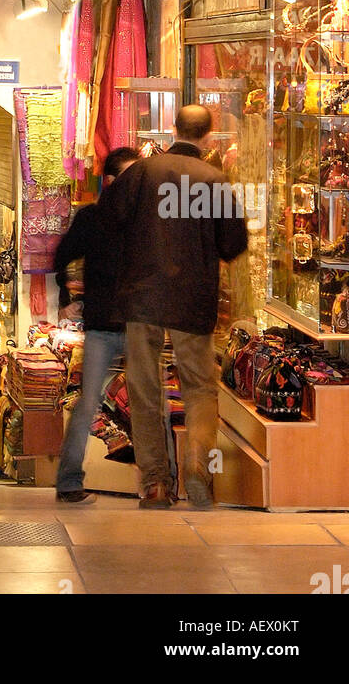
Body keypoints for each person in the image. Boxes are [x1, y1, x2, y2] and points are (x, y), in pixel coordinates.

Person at [99, 104, 248, 510]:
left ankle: (155, 484)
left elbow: (108, 220)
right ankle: (198, 465)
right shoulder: (214, 180)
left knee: (144, 390)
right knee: (199, 388)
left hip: (141, 296)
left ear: (173, 128)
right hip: (192, 299)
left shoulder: (143, 173)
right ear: (208, 134)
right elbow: (234, 244)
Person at [53, 146, 139, 504]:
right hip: (105, 324)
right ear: (110, 181)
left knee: (151, 402)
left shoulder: (145, 219)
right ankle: (70, 481)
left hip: (139, 323)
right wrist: (66, 298)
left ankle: (158, 481)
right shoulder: (93, 218)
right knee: (89, 403)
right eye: (131, 177)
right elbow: (62, 255)